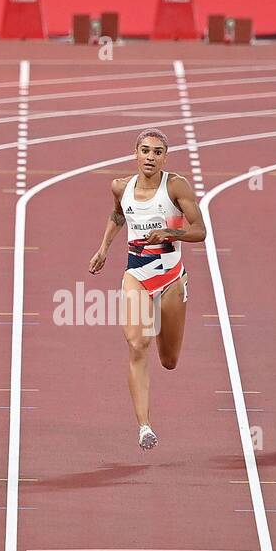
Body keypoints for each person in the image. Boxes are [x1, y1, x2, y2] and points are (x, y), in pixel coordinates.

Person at [89, 129, 204, 450]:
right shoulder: (120, 187)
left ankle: (172, 309)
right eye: (145, 150)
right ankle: (144, 426)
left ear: (165, 157)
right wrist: (103, 249)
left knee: (169, 360)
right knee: (138, 344)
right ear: (135, 153)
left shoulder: (175, 186)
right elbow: (117, 215)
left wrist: (169, 232)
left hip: (170, 277)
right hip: (136, 274)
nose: (150, 157)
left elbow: (200, 231)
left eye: (156, 152)